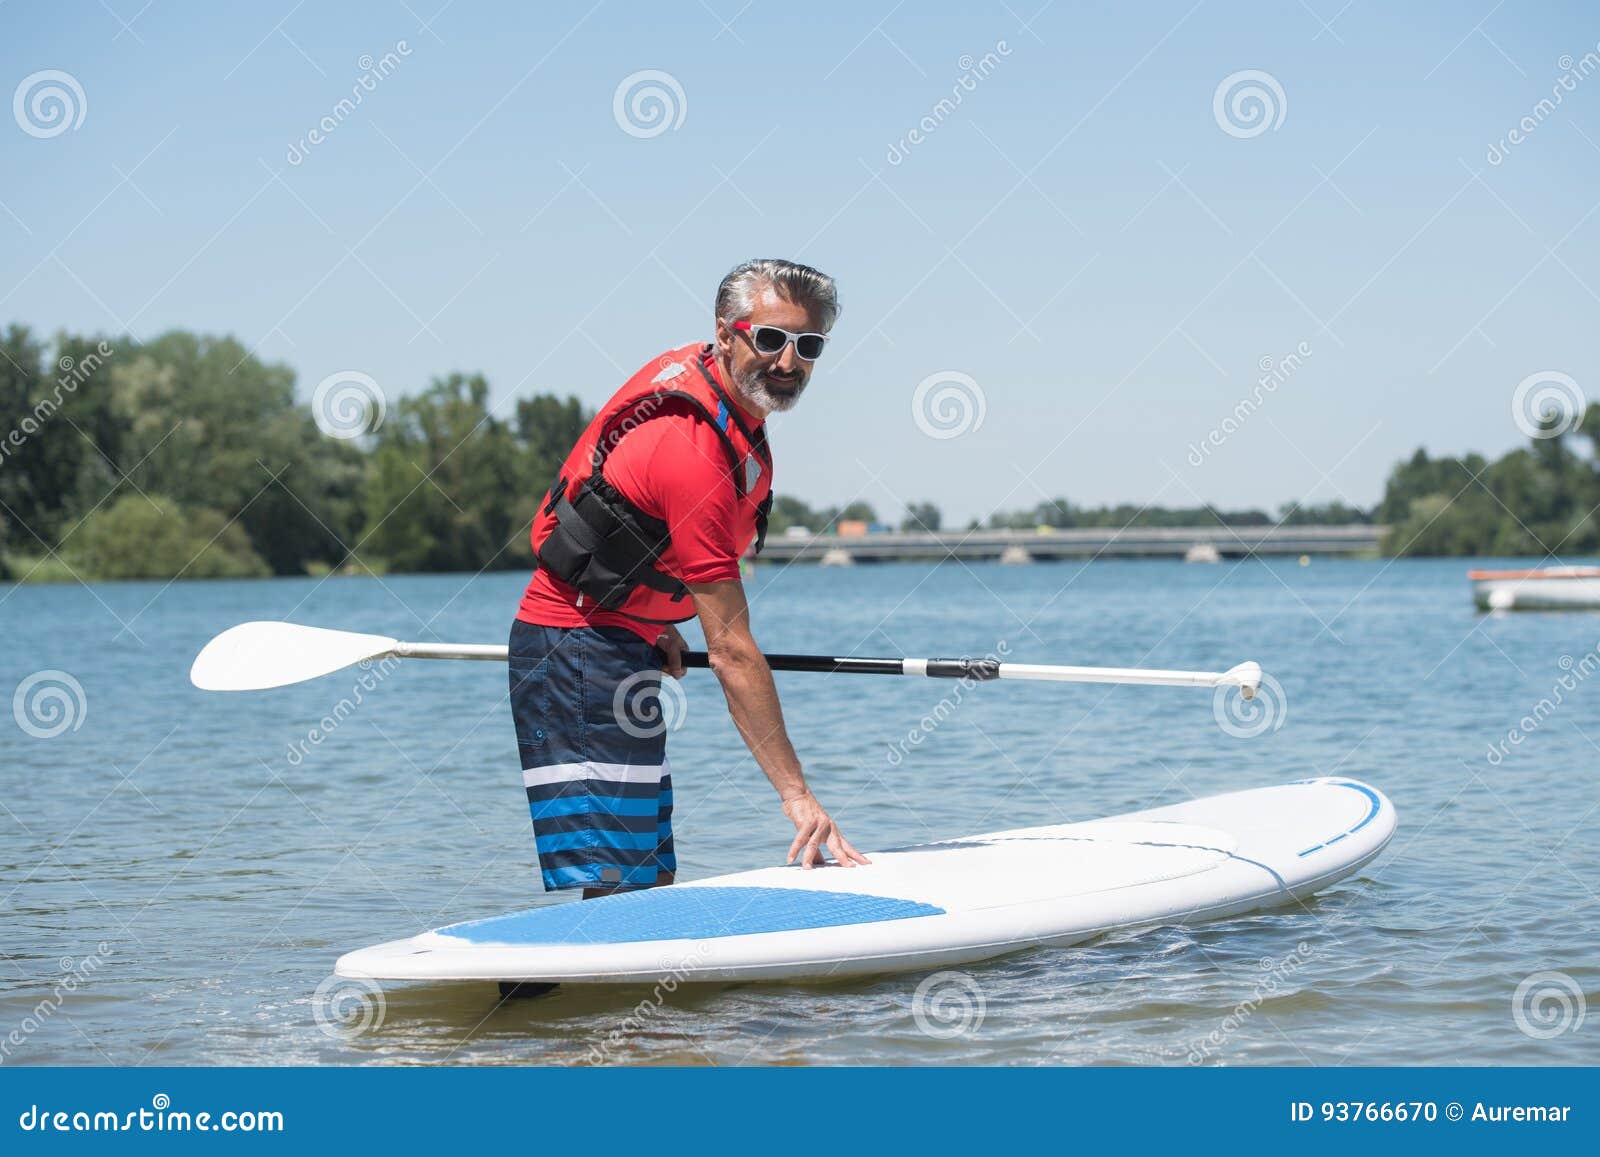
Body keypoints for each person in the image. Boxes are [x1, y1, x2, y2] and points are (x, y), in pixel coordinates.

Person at [510, 257, 870, 920]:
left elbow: (636, 535)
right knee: (620, 885)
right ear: (725, 334)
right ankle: (590, 1010)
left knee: (642, 876)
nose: (788, 360)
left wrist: (652, 620)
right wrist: (796, 795)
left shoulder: (727, 402)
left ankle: (623, 1023)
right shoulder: (695, 448)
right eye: (769, 338)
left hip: (617, 641)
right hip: (575, 653)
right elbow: (731, 649)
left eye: (808, 344)